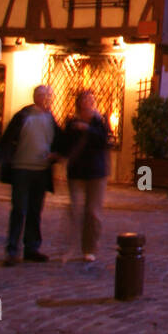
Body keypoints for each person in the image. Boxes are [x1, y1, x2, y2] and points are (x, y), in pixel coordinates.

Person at [0, 85, 64, 266]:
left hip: (41, 171)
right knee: (19, 209)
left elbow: (60, 141)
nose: (48, 99)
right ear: (36, 97)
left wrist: (56, 154)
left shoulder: (50, 119)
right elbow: (6, 140)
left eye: (50, 96)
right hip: (21, 169)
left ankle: (32, 248)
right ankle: (12, 250)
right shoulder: (23, 116)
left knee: (35, 211)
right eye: (44, 96)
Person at [62, 90, 114, 263]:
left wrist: (88, 129)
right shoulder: (71, 121)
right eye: (85, 99)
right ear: (79, 102)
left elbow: (104, 141)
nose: (89, 102)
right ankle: (71, 246)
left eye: (91, 99)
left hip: (96, 171)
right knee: (76, 210)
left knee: (93, 212)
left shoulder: (100, 121)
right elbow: (65, 144)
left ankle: (90, 248)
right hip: (76, 171)